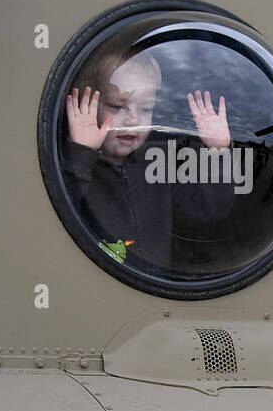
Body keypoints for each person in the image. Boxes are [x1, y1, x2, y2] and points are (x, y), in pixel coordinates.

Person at [61, 48, 237, 271]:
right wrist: (80, 153)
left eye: (146, 108)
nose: (134, 120)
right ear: (90, 106)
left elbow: (209, 210)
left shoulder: (157, 166)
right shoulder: (76, 166)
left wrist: (218, 151)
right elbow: (52, 216)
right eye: (117, 106)